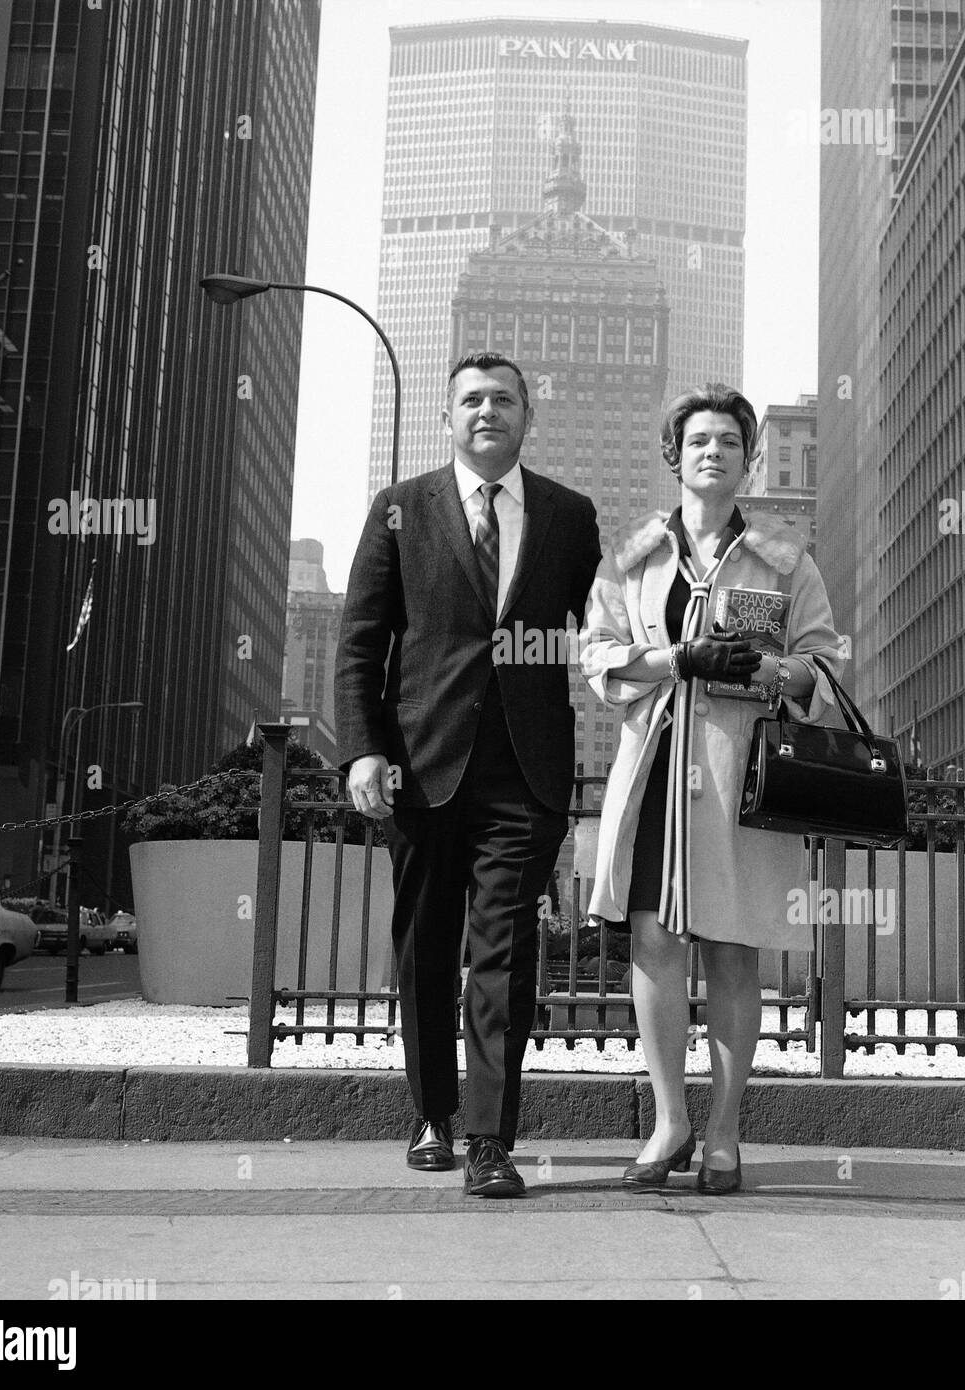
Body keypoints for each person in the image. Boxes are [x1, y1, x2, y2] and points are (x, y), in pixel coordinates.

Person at [336, 351, 601, 1197]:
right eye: (472, 401)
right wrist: (363, 749)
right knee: (424, 948)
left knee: (504, 951)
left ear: (529, 417)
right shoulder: (399, 510)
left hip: (525, 774)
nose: (488, 412)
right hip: (420, 767)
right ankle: (431, 1116)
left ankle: (490, 1138)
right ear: (447, 418)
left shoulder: (568, 515)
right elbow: (360, 642)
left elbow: (602, 631)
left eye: (504, 401)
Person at [579, 384, 845, 1193]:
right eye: (697, 440)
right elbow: (596, 657)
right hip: (656, 771)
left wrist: (769, 669)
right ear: (674, 456)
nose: (712, 452)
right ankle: (668, 1123)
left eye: (729, 441)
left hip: (740, 777)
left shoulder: (783, 560)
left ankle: (725, 1133)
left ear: (747, 457)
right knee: (654, 943)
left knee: (734, 946)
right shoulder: (630, 559)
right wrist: (675, 661)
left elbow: (825, 662)